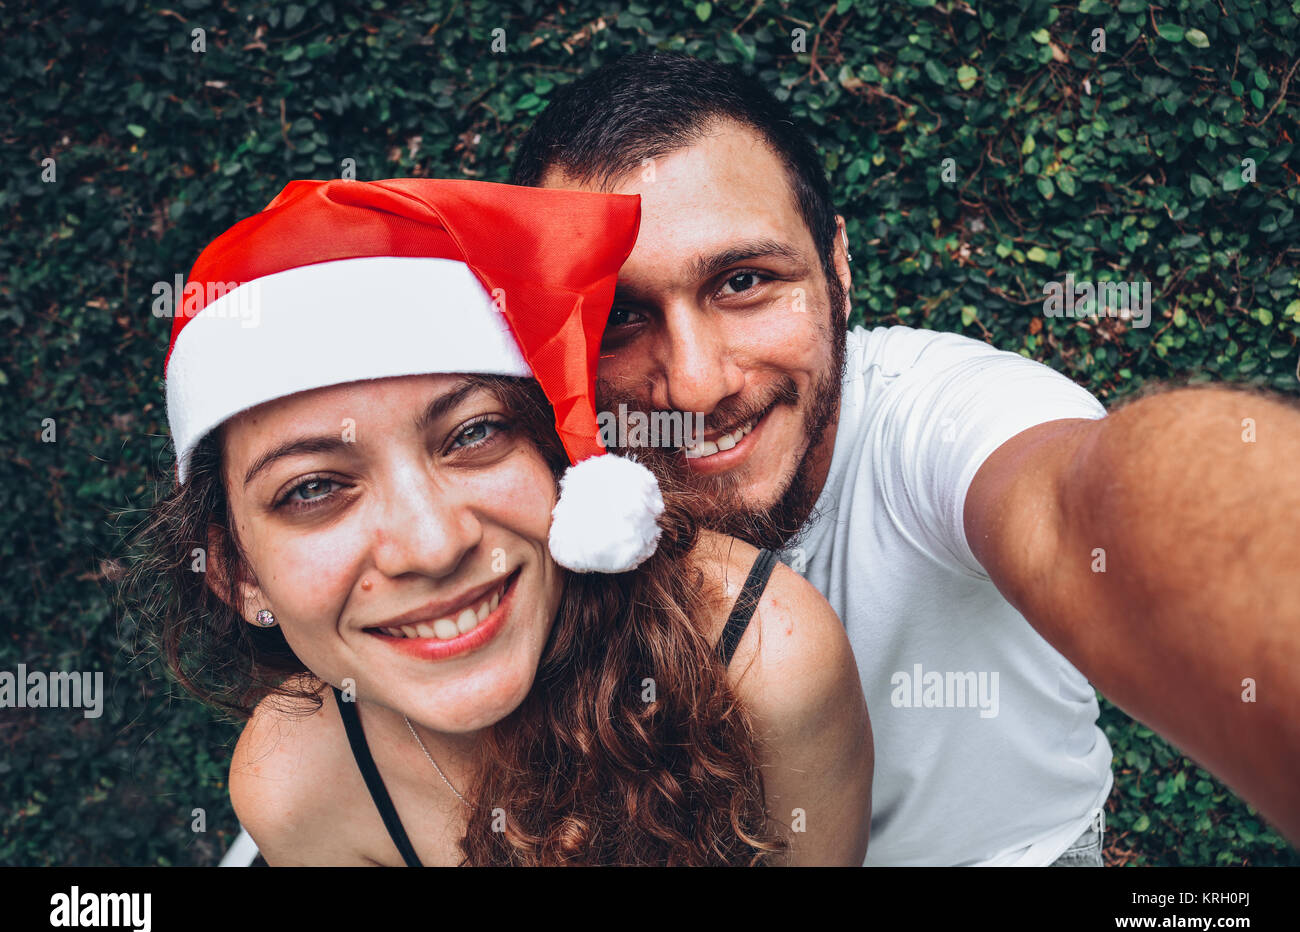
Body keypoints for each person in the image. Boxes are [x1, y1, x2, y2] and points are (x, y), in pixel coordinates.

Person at [511, 51, 1300, 864]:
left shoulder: (942, 419)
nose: (696, 387)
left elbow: (1077, 506)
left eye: (744, 281)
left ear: (838, 267)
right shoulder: (550, 489)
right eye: (615, 320)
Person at [121, 177, 871, 866]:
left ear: (557, 460)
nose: (433, 545)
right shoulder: (293, 787)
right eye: (313, 488)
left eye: (474, 435)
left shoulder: (764, 657)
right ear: (238, 573)